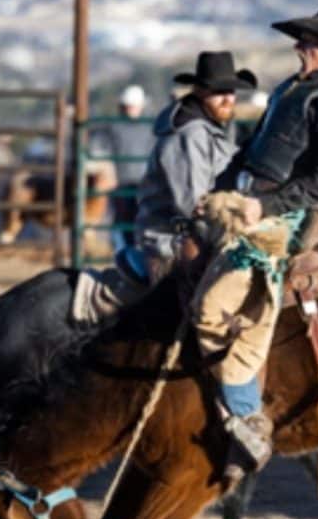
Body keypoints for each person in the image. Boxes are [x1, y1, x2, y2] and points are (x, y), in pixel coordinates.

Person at [193, 5, 318, 486]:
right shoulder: (293, 88)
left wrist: (262, 208)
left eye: (308, 42)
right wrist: (221, 190)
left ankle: (248, 418)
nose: (299, 47)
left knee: (216, 307)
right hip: (246, 198)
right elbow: (253, 149)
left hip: (281, 216)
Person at [70, 52, 257, 326]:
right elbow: (193, 204)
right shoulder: (190, 135)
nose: (228, 99)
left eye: (231, 92)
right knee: (213, 320)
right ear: (200, 91)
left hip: (193, 238)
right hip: (171, 244)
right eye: (219, 92)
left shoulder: (205, 130)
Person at [90, 84, 156, 248]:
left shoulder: (149, 127)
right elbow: (98, 146)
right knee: (123, 220)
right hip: (120, 183)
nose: (129, 110)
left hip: (143, 183)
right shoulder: (113, 126)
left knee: (138, 220)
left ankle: (132, 253)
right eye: (127, 106)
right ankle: (124, 253)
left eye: (132, 106)